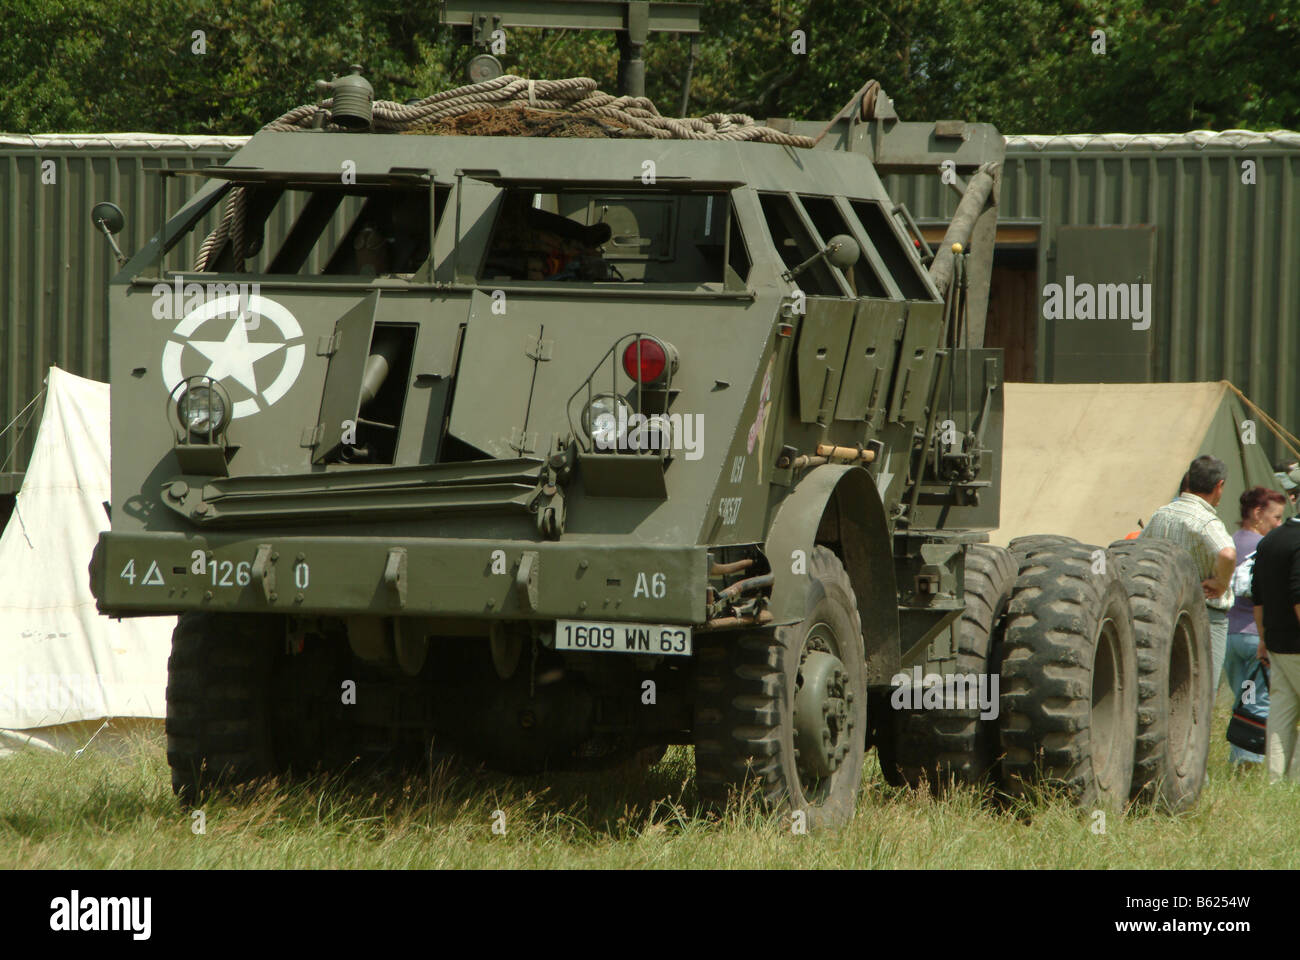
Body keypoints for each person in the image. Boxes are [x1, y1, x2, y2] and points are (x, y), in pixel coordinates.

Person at [1141, 455, 1237, 696]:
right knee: (1203, 691)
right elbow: (1227, 553)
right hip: (1206, 614)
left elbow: (1139, 551)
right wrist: (1221, 583)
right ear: (1219, 486)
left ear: (1188, 480)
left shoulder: (1161, 514)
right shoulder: (1206, 520)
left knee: (1166, 687)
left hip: (1164, 609)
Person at [1224, 486, 1286, 765]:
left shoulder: (1230, 541)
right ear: (1258, 513)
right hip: (1254, 637)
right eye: (1276, 517)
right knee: (1255, 701)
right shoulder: (1265, 547)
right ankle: (1248, 760)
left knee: (1241, 699)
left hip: (1229, 635)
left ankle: (1237, 755)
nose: (1279, 524)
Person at [1250, 508, 1300, 782]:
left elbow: (1257, 596)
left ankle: (1275, 780)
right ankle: (1296, 781)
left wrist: (1262, 638)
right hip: (1296, 643)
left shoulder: (1269, 540)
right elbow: (1298, 594)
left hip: (1276, 642)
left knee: (1282, 710)